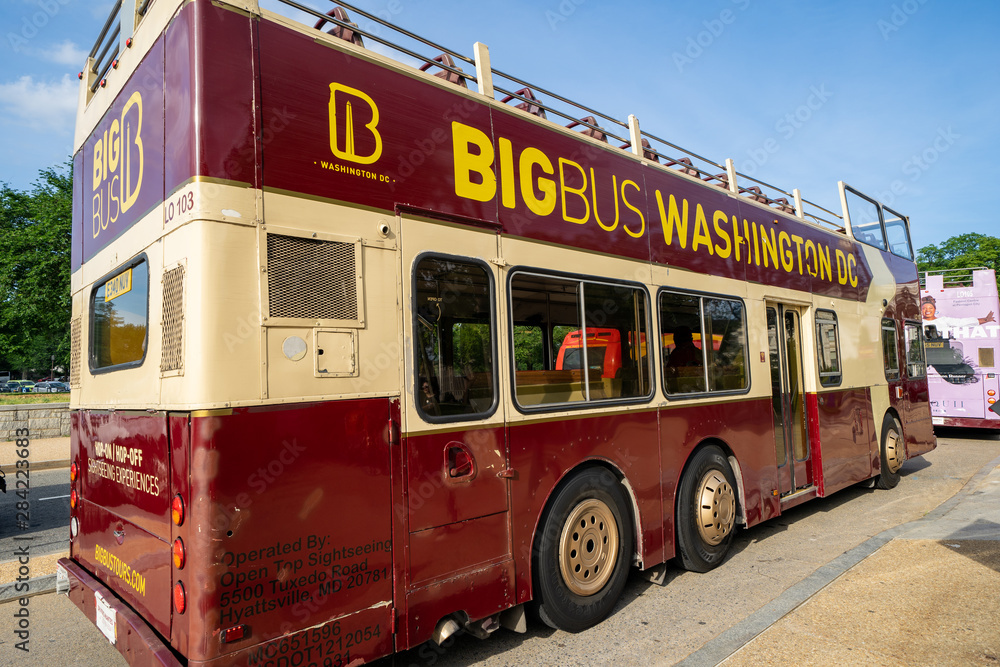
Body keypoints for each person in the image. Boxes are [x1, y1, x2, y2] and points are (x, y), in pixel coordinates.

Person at [921, 295, 995, 333]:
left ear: (935, 309)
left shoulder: (943, 320)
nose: (927, 310)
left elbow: (962, 322)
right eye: (924, 308)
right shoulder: (917, 322)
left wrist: (985, 319)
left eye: (930, 308)